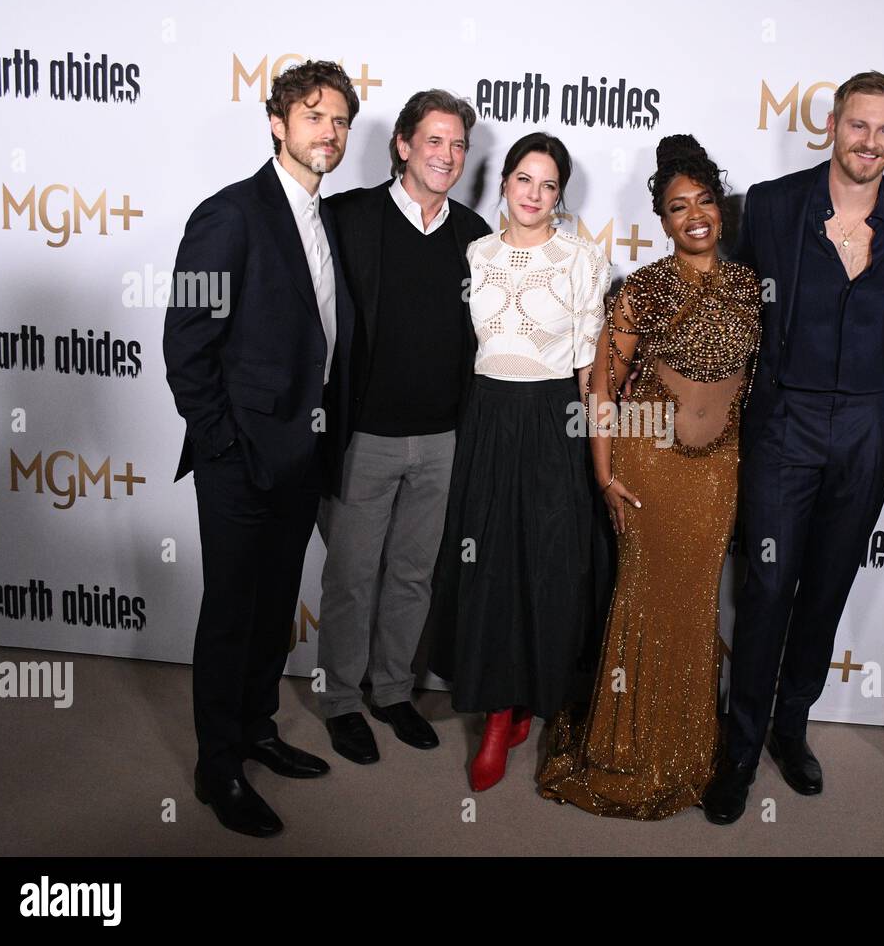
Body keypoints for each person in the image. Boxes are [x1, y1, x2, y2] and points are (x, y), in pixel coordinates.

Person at [703, 71, 884, 825]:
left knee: (829, 584)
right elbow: (733, 308)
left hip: (872, 425)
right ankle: (740, 749)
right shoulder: (773, 204)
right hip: (784, 424)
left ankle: (791, 727)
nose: (869, 142)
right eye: (858, 125)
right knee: (769, 587)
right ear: (833, 124)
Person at [537, 134, 761, 819]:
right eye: (676, 206)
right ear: (661, 220)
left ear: (720, 209)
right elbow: (602, 384)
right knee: (643, 604)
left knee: (696, 613)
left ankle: (688, 750)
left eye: (703, 201)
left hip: (717, 473)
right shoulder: (645, 288)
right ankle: (627, 747)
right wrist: (605, 475)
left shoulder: (750, 285)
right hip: (650, 469)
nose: (693, 215)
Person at [163, 60, 358, 837]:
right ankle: (217, 769)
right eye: (315, 116)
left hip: (301, 455)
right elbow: (187, 346)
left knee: (276, 607)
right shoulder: (229, 215)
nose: (330, 133)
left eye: (340, 121)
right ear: (278, 124)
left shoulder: (327, 217)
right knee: (232, 613)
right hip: (240, 459)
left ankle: (256, 729)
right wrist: (224, 448)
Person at [425, 132, 612, 791]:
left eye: (548, 184)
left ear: (560, 196)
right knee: (491, 568)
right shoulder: (475, 253)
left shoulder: (584, 257)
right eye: (523, 179)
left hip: (552, 421)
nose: (534, 194)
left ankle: (534, 695)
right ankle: (498, 717)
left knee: (549, 566)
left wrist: (600, 454)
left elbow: (591, 366)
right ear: (503, 182)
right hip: (486, 421)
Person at [314, 91, 491, 765]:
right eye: (434, 141)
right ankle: (337, 703)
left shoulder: (475, 236)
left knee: (413, 575)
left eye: (457, 145)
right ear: (404, 146)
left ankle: (391, 692)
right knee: (353, 576)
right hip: (365, 435)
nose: (447, 155)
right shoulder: (348, 217)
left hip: (443, 439)